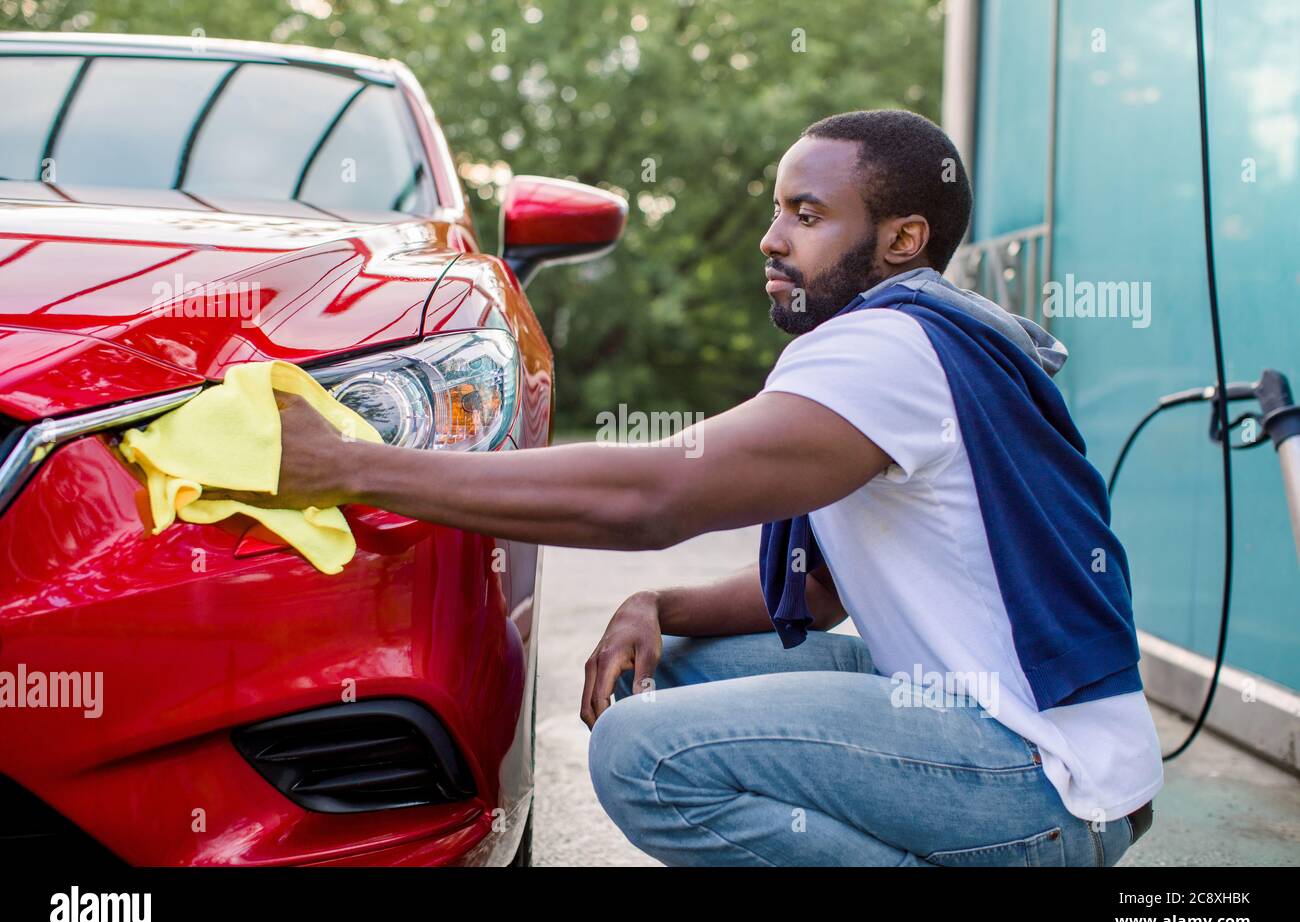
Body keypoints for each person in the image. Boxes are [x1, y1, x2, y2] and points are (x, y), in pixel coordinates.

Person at [207, 109, 1163, 867]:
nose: (769, 238)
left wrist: (349, 466)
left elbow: (653, 496)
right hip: (1051, 756)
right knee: (675, 667)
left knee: (643, 753)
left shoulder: (891, 347)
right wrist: (657, 604)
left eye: (808, 215)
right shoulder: (937, 339)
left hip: (1036, 781)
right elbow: (821, 596)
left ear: (904, 237)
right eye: (778, 208)